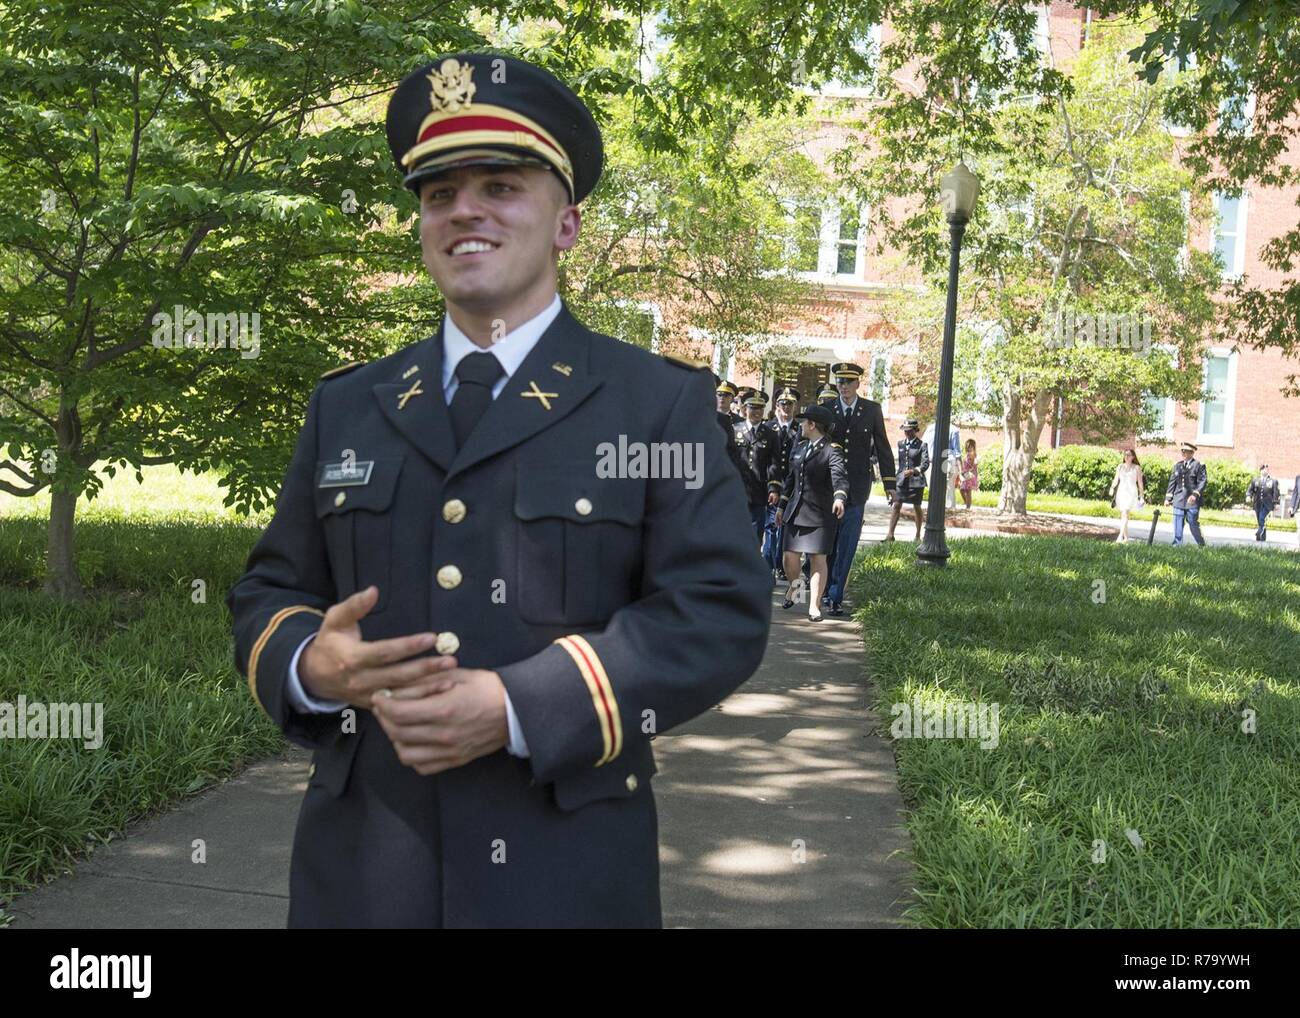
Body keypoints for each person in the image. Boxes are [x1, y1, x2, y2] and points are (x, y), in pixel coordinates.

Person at [225, 53, 772, 929]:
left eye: (501, 186)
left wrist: (520, 705)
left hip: (565, 874)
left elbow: (717, 610)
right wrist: (310, 664)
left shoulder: (654, 403)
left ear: (567, 225)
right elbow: (271, 590)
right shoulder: (348, 406)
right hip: (364, 870)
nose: (464, 209)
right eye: (438, 193)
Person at [821, 362, 895, 617]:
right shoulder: (827, 409)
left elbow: (883, 448)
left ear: (857, 385)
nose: (844, 387)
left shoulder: (871, 410)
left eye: (848, 382)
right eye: (840, 382)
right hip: (829, 488)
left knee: (848, 543)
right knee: (827, 543)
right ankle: (823, 589)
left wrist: (890, 484)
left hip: (858, 489)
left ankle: (835, 595)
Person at [775, 404, 847, 623]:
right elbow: (791, 479)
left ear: (812, 424)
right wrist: (781, 506)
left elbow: (839, 474)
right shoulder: (800, 447)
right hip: (796, 512)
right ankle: (796, 588)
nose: (801, 425)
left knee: (818, 559)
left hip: (820, 514)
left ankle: (814, 606)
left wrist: (839, 496)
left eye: (804, 421)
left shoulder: (831, 449)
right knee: (789, 558)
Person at [761, 387, 800, 576]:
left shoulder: (800, 428)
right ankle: (768, 567)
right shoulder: (768, 428)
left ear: (795, 406)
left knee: (785, 527)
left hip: (793, 486)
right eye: (783, 403)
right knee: (770, 527)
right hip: (772, 484)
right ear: (777, 405)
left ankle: (782, 566)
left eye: (790, 403)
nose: (786, 407)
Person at [735, 389, 774, 546]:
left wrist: (773, 488)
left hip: (759, 492)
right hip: (736, 491)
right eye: (753, 408)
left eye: (760, 408)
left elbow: (774, 464)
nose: (756, 412)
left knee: (755, 535)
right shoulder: (734, 430)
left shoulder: (770, 434)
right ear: (745, 409)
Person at [885, 419, 928, 541]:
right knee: (897, 504)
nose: (907, 433)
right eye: (905, 431)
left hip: (916, 482)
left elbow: (925, 464)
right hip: (901, 480)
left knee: (917, 506)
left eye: (909, 431)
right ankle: (890, 534)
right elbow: (901, 463)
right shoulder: (900, 444)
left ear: (915, 430)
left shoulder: (922, 445)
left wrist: (914, 470)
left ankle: (918, 535)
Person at [1164, 440, 1207, 546]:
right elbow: (1172, 482)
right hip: (1179, 499)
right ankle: (1177, 544)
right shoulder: (1177, 465)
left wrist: (1195, 495)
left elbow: (1202, 481)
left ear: (1192, 453)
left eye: (1186, 451)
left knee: (1192, 522)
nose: (1183, 453)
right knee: (1177, 523)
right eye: (1182, 451)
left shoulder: (1198, 465)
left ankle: (1201, 544)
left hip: (1191, 500)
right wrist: (1168, 498)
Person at [922, 419, 962, 510]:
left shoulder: (931, 428)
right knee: (947, 489)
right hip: (943, 462)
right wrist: (960, 469)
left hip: (942, 462)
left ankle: (939, 510)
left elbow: (923, 446)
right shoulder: (952, 429)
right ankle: (944, 510)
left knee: (939, 488)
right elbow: (957, 452)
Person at [1108, 448, 1145, 543]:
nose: (1126, 457)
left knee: (1125, 513)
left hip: (1131, 492)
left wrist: (1141, 497)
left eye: (1129, 455)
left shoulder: (1137, 468)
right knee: (1123, 515)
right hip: (1121, 491)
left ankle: (1120, 537)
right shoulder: (1120, 467)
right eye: (1125, 455)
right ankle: (1126, 538)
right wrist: (1112, 488)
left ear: (1133, 457)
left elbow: (1140, 483)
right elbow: (1116, 479)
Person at [1246, 463, 1281, 542]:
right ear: (1260, 470)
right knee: (1259, 519)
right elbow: (1250, 490)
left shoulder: (1273, 481)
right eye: (1263, 469)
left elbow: (1276, 492)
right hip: (1257, 503)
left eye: (1266, 469)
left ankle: (1260, 530)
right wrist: (1248, 496)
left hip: (1267, 504)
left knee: (1262, 517)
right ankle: (1262, 534)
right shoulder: (1255, 480)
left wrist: (1276, 503)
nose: (1265, 470)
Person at [956, 438, 979, 510]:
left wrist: (972, 467)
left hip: (970, 475)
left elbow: (974, 464)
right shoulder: (967, 455)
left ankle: (968, 507)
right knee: (962, 490)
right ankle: (967, 504)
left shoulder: (973, 456)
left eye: (970, 449)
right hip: (965, 475)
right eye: (967, 449)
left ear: (974, 449)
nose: (969, 451)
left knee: (968, 491)